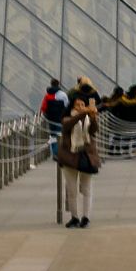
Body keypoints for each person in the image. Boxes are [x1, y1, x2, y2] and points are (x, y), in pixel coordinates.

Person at [57, 95, 100, 229]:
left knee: (86, 189)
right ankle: (74, 217)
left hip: (86, 156)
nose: (80, 107)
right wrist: (84, 113)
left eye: (83, 105)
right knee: (72, 189)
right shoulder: (67, 119)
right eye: (77, 105)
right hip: (69, 157)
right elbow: (69, 124)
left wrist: (93, 118)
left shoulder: (87, 117)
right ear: (71, 106)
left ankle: (86, 217)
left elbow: (93, 130)